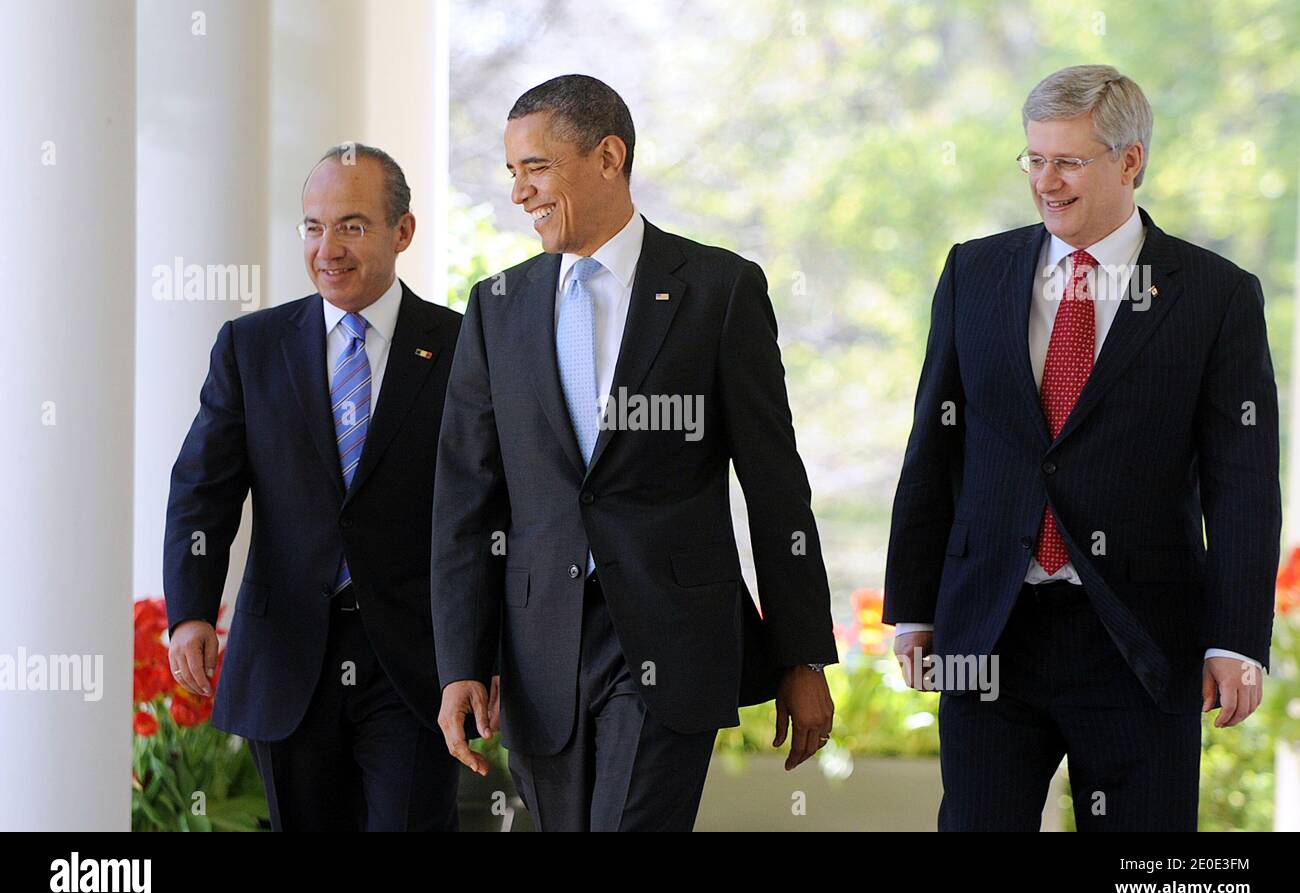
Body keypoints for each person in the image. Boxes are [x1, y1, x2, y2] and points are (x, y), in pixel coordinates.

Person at [432, 75, 837, 831]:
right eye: (512, 172)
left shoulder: (718, 291)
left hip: (670, 639)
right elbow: (466, 500)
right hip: (539, 648)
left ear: (609, 156)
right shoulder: (495, 308)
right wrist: (459, 663)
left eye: (537, 168)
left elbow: (776, 484)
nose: (519, 194)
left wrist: (802, 653)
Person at [884, 64, 1280, 831]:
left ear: (1130, 160)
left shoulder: (1216, 295)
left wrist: (1236, 639)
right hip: (990, 631)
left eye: (1068, 161)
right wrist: (911, 607)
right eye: (1034, 159)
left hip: (1138, 640)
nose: (1046, 182)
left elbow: (1245, 483)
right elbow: (933, 444)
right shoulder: (975, 271)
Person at [163, 143, 469, 830]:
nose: (327, 247)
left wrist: (489, 649)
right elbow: (202, 488)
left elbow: (492, 503)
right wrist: (190, 609)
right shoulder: (251, 347)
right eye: (312, 226)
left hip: (415, 663)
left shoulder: (461, 347)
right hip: (288, 655)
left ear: (403, 232)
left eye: (352, 225)